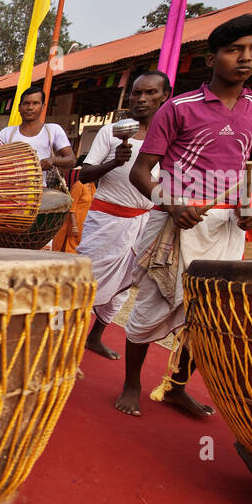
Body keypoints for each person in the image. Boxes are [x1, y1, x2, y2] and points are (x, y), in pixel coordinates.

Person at [118, 13, 252, 418]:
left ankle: (175, 386)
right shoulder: (178, 108)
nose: (245, 58)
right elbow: (141, 172)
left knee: (205, 317)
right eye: (233, 50)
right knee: (150, 309)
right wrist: (172, 202)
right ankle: (132, 383)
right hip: (176, 223)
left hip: (226, 227)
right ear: (212, 57)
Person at [76, 71, 171, 359]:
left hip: (145, 222)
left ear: (164, 96)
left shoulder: (168, 138)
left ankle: (95, 336)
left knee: (123, 286)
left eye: (150, 93)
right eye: (136, 93)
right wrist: (112, 163)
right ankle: (63, 334)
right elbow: (84, 175)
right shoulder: (111, 132)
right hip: (106, 219)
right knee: (86, 279)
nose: (141, 99)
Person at [0, 85, 76, 187]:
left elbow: (71, 160)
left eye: (35, 103)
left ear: (43, 106)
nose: (30, 107)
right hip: (9, 190)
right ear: (19, 107)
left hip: (39, 191)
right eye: (26, 103)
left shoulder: (53, 130)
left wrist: (52, 160)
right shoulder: (6, 133)